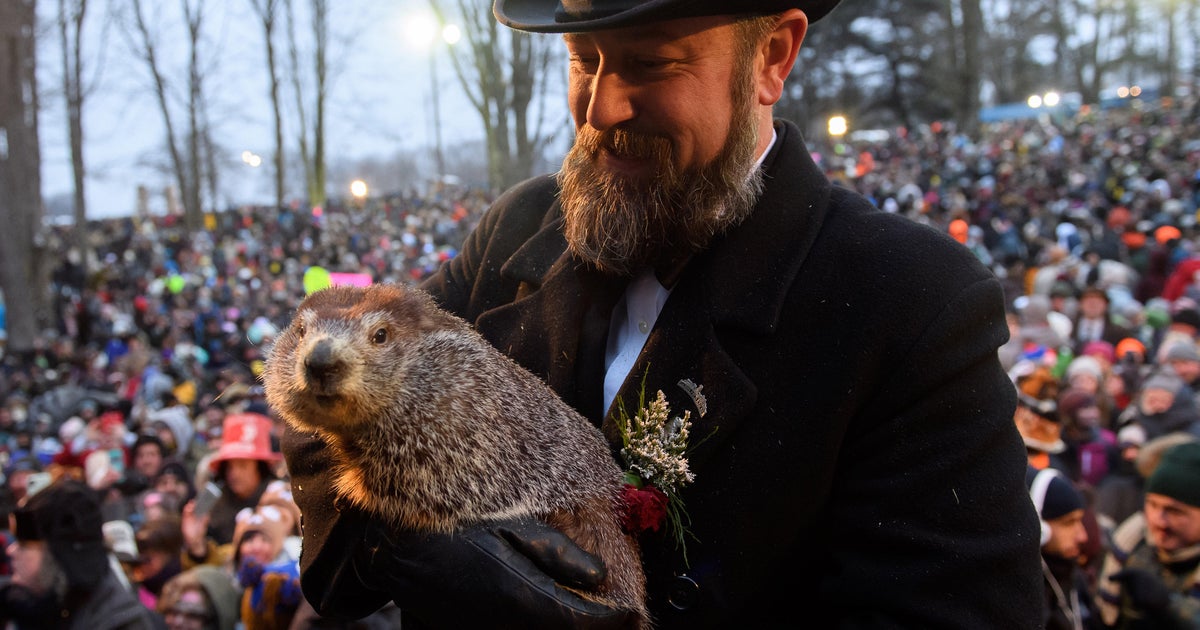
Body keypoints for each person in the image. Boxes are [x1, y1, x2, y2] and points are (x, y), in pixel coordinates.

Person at [281, 1, 1042, 627]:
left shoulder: (908, 299)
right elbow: (332, 415)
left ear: (771, 56)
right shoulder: (518, 230)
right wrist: (409, 544)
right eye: (584, 59)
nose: (600, 105)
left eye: (650, 61)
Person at [0, 478, 162, 628]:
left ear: (57, 554)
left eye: (24, 545)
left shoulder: (118, 621)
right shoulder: (33, 604)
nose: (11, 550)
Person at [1096, 441, 1200, 628]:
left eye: (1175, 511)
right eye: (1152, 504)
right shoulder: (1131, 543)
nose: (1159, 521)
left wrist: (1168, 606)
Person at [1027, 467, 1095, 630]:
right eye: (1068, 523)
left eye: (1080, 521)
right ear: (1041, 528)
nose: (1082, 536)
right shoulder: (1024, 591)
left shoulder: (1073, 576)